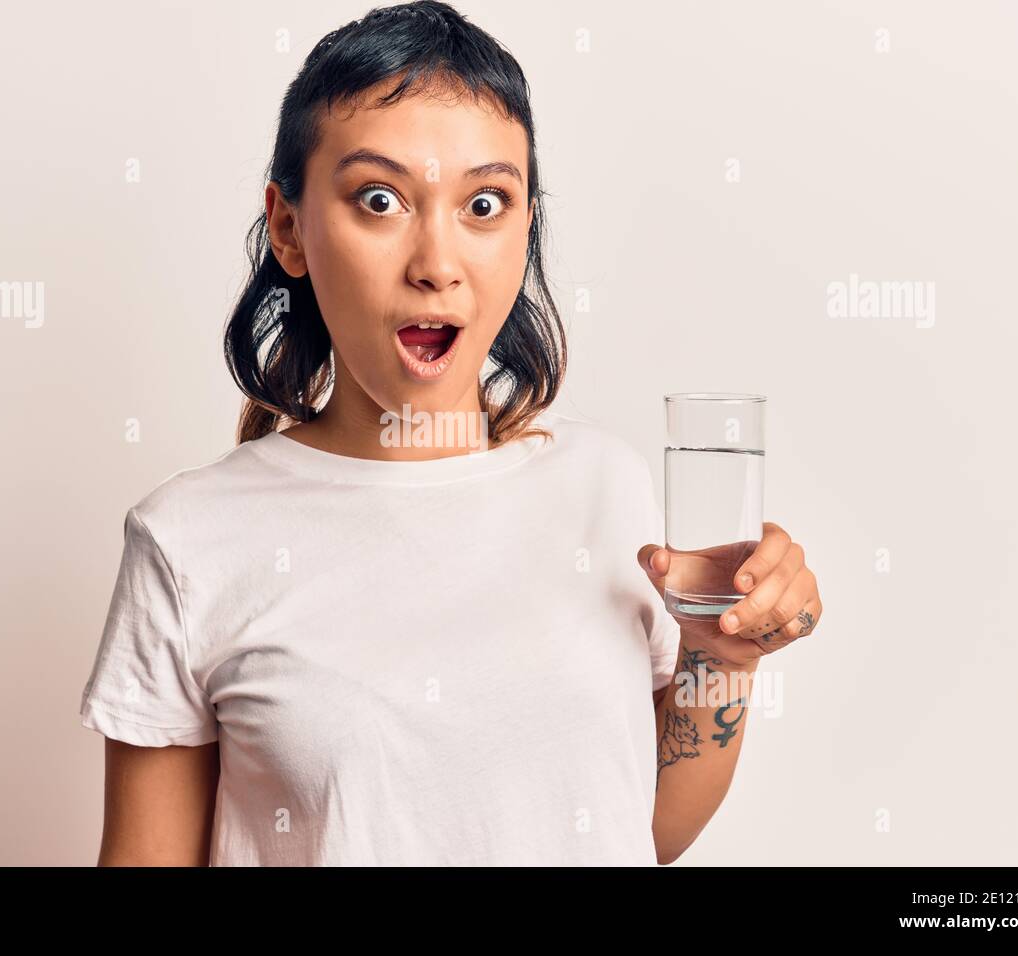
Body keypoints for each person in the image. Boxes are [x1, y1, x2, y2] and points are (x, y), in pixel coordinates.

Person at [79, 0, 823, 867]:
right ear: (289, 226)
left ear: (527, 223)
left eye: (483, 203)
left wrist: (719, 659)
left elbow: (641, 826)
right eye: (381, 199)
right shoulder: (187, 541)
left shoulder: (606, 489)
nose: (437, 264)